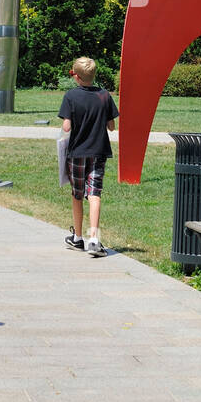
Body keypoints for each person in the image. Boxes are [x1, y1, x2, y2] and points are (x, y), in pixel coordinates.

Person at [60, 56, 118, 257]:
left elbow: (66, 126)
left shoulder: (70, 96)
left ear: (76, 76)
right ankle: (93, 238)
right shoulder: (104, 96)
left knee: (77, 194)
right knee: (94, 193)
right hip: (98, 152)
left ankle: (77, 238)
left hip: (77, 153)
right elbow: (111, 126)